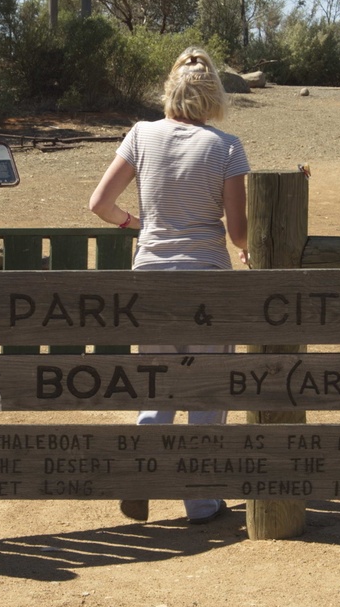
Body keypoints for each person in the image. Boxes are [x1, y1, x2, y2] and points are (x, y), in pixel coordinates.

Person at [88, 47, 250, 525]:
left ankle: (140, 476)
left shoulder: (141, 135)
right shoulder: (226, 147)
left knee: (157, 382)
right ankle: (200, 501)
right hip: (206, 279)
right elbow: (238, 232)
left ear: (171, 90)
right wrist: (248, 247)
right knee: (207, 388)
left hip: (151, 279)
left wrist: (136, 223)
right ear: (214, 95)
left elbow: (99, 204)